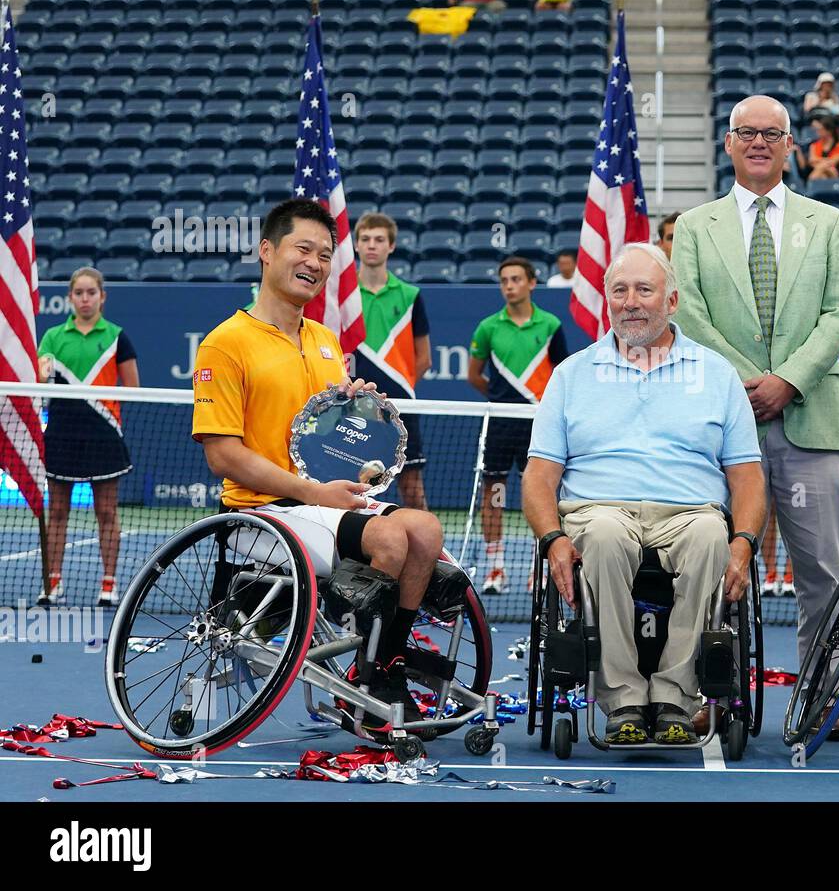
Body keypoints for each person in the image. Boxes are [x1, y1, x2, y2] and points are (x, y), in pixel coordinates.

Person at [191, 199, 446, 737]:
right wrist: (312, 491)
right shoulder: (224, 343)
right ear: (267, 251)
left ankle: (385, 668)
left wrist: (359, 415)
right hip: (258, 515)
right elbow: (223, 455)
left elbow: (322, 440)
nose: (315, 262)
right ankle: (367, 682)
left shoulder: (326, 341)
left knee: (425, 528)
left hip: (317, 502)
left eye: (326, 255)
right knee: (391, 542)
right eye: (303, 249)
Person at [522, 243, 766, 745]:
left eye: (644, 290)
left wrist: (743, 541)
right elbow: (539, 475)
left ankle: (676, 697)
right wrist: (551, 539)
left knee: (708, 536)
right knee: (608, 536)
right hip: (598, 508)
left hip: (690, 509)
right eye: (619, 291)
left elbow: (746, 476)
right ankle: (623, 699)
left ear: (672, 300)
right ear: (607, 301)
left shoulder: (717, 374)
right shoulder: (571, 375)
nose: (630, 301)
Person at [673, 94, 839, 742]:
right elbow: (689, 315)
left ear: (790, 146)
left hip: (812, 420)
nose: (758, 142)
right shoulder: (695, 227)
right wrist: (745, 385)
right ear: (728, 144)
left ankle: (821, 697)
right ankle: (710, 694)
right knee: (711, 568)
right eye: (746, 133)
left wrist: (788, 381)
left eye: (771, 133)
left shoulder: (830, 223)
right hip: (723, 426)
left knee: (824, 574)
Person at [36, 267, 139, 606]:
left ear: (102, 297)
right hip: (61, 434)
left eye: (90, 293)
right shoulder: (52, 337)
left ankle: (108, 585)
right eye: (78, 293)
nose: (84, 299)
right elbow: (39, 376)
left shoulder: (117, 336)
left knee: (107, 512)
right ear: (70, 298)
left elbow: (135, 389)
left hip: (103, 434)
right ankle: (52, 583)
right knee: (58, 513)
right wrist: (43, 371)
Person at [468, 256, 568, 594]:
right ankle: (495, 569)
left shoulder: (551, 325)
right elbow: (474, 375)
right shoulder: (487, 327)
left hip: (536, 425)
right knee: (494, 496)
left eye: (515, 279)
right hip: (499, 425)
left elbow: (561, 377)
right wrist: (501, 400)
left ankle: (534, 569)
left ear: (531, 283)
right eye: (504, 280)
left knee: (537, 496)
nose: (509, 286)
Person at [354, 212, 431, 511]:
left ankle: (425, 555)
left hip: (401, 406)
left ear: (391, 246)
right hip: (354, 405)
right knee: (356, 483)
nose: (372, 245)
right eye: (365, 239)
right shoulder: (342, 296)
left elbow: (423, 358)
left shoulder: (411, 295)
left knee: (411, 487)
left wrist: (398, 389)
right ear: (357, 246)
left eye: (379, 240)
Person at [792, 116, 839, 182]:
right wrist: (826, 162)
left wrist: (819, 163)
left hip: (835, 175)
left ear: (829, 131)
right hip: (824, 173)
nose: (818, 131)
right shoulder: (814, 145)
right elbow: (811, 161)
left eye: (821, 129)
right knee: (824, 175)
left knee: (830, 170)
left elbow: (833, 162)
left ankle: (810, 184)